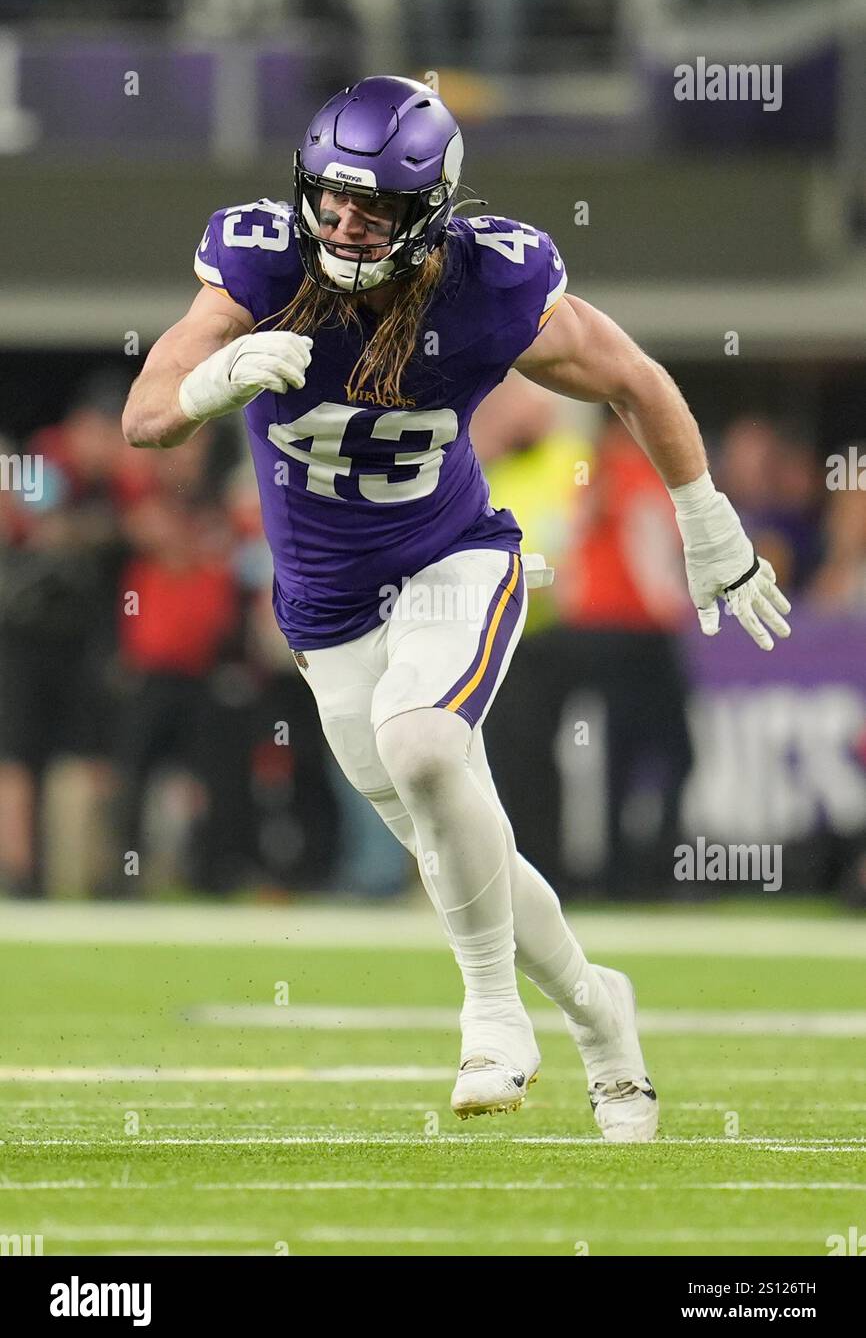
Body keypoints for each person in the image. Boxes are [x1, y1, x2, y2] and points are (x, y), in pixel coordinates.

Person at [121, 75, 792, 1141]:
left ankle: (489, 1016)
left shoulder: (486, 284)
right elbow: (145, 412)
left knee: (428, 746)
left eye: (373, 206)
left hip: (452, 562)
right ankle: (596, 1011)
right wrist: (219, 377)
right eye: (332, 198)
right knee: (451, 841)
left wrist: (707, 528)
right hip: (325, 612)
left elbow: (636, 379)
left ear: (427, 211)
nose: (344, 223)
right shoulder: (258, 263)